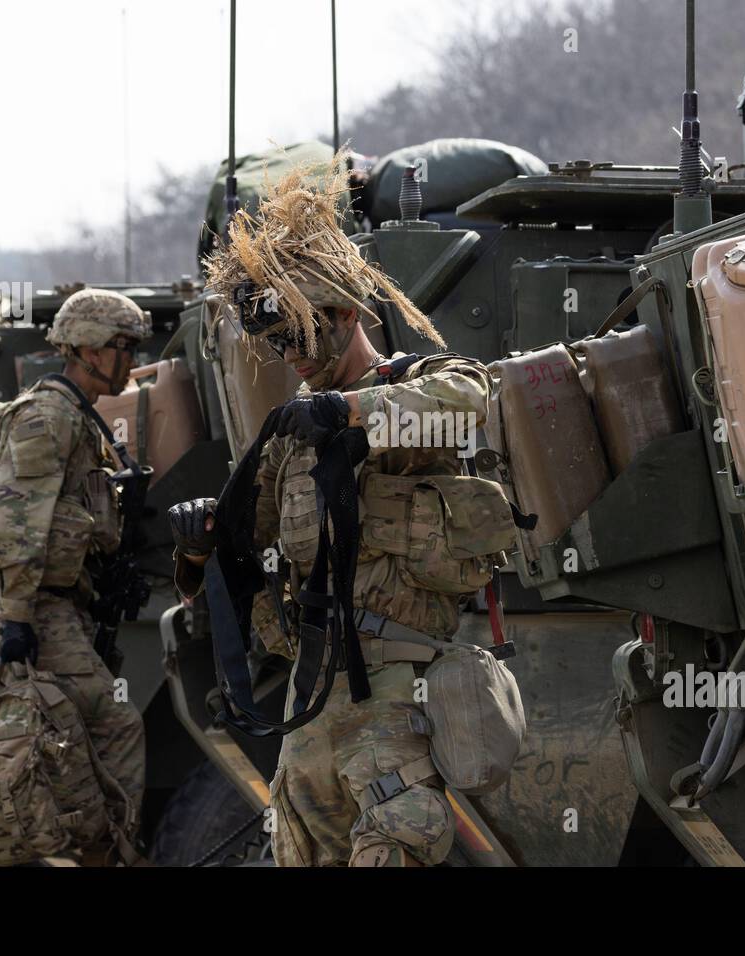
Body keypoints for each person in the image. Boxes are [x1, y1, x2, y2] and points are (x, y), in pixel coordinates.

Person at [170, 161, 493, 866]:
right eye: (278, 343)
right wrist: (198, 544)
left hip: (391, 700)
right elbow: (241, 557)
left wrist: (347, 410)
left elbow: (470, 404)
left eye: (299, 334)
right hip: (309, 712)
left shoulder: (409, 387)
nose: (290, 356)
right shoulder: (290, 437)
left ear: (346, 314)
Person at [0, 287, 150, 862]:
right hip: (35, 607)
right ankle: (102, 852)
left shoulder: (79, 415)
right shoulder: (49, 417)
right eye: (123, 346)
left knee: (78, 741)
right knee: (110, 726)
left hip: (56, 604)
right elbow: (18, 521)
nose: (131, 359)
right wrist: (18, 620)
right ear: (89, 350)